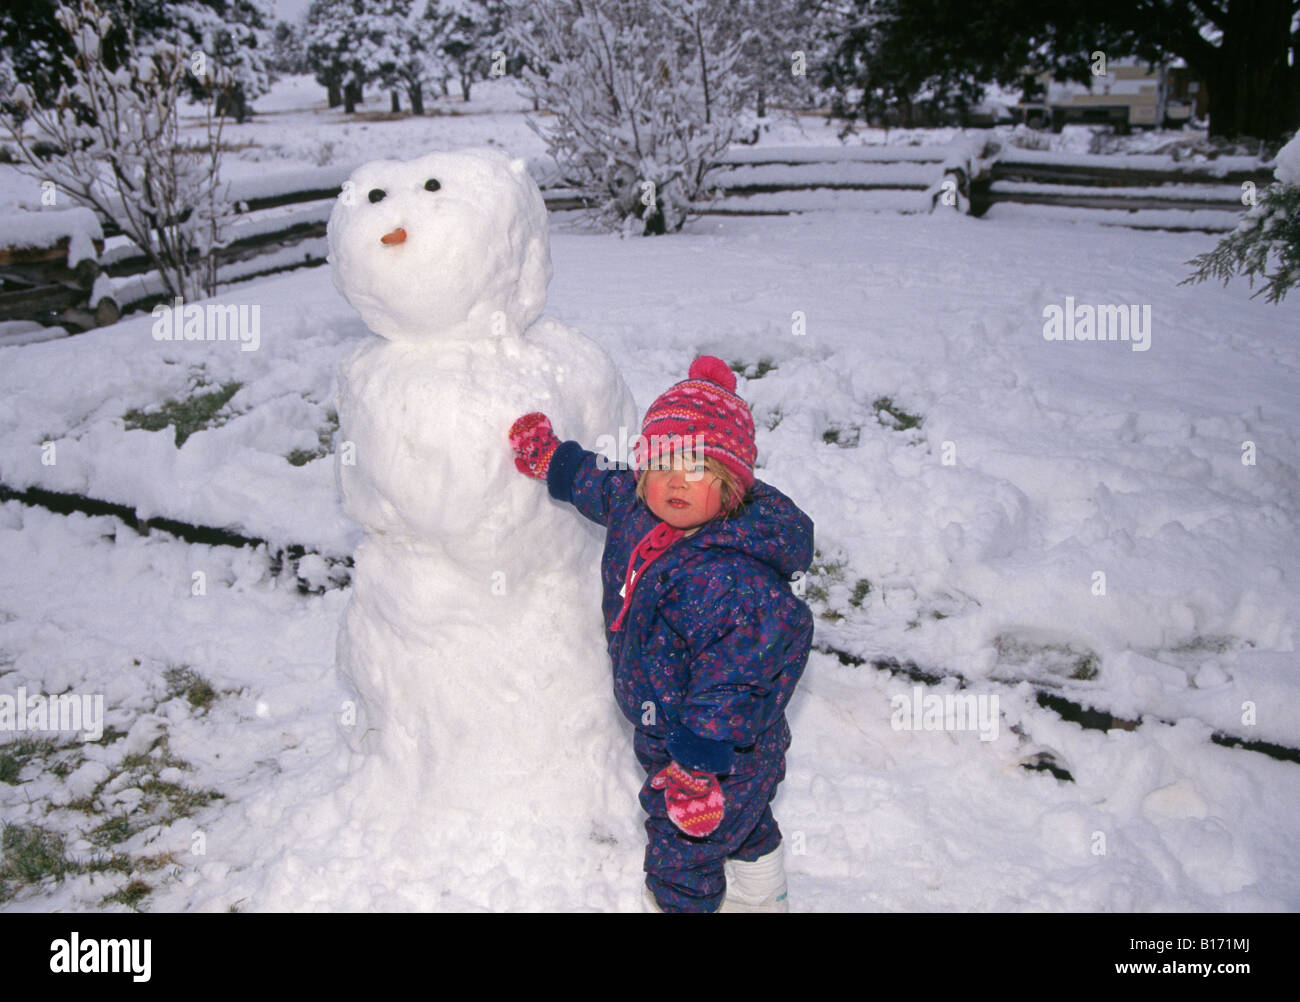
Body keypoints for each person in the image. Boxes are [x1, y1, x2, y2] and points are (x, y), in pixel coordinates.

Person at [508, 355, 814, 912]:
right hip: (668, 723)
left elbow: (741, 676)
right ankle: (764, 896)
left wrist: (698, 761)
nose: (677, 480)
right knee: (743, 824)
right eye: (664, 462)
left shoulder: (731, 575)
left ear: (732, 485)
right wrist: (554, 459)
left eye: (698, 468)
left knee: (680, 854)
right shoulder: (636, 507)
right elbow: (598, 483)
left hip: (721, 747)